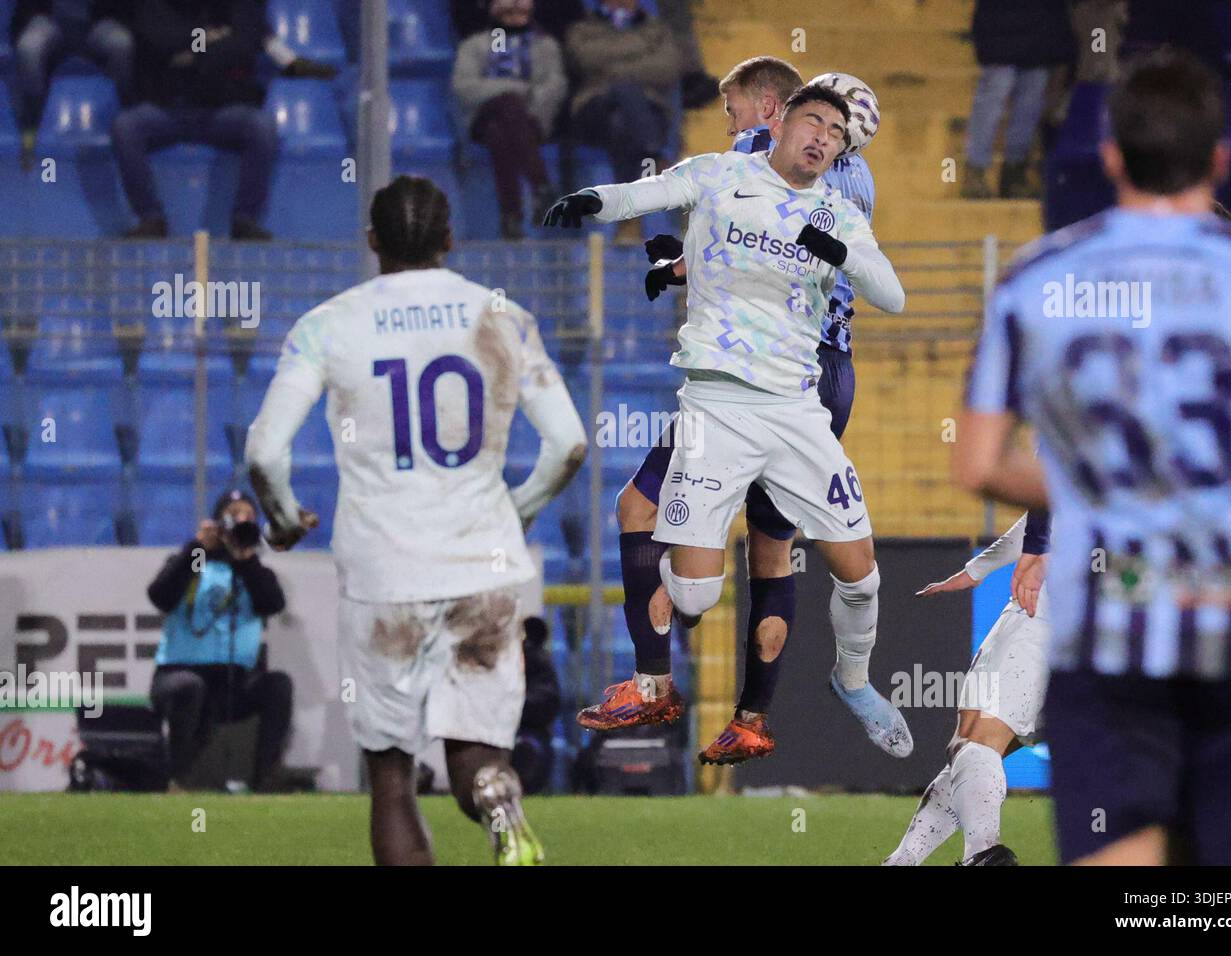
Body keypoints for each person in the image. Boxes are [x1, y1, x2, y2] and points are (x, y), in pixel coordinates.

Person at [955, 49, 1231, 865]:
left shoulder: (1038, 278)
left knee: (1123, 856)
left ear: (1109, 156)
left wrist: (1104, 489)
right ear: (1220, 158)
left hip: (1109, 620)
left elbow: (976, 465)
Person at [544, 85, 908, 764]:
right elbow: (638, 195)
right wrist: (593, 201)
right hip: (715, 408)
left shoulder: (839, 214)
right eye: (813, 122)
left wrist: (835, 247)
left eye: (836, 131)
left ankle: (851, 678)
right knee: (695, 590)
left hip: (799, 413)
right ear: (782, 122)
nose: (823, 137)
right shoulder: (719, 175)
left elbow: (892, 295)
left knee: (861, 575)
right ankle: (665, 683)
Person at [245, 175, 586, 866]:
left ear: (371, 242)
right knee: (478, 754)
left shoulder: (327, 323)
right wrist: (513, 511)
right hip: (482, 564)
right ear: (450, 238)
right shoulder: (502, 316)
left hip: (383, 569)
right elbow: (570, 444)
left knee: (392, 776)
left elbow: (264, 451)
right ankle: (495, 795)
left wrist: (280, 519)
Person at [886, 511, 1051, 866]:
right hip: (1135, 627)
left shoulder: (1070, 457)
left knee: (976, 737)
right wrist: (978, 568)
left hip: (1053, 607)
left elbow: (1057, 502)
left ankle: (982, 856)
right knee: (981, 752)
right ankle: (902, 862)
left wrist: (1043, 560)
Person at [145, 489, 291, 792]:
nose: (242, 521)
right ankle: (177, 780)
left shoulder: (253, 572)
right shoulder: (195, 562)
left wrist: (245, 560)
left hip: (232, 684)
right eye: (235, 515)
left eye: (249, 517)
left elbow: (272, 603)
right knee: (190, 687)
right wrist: (196, 549)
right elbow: (160, 596)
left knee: (278, 685)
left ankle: (265, 783)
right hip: (178, 676)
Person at [111, 0, 277, 240]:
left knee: (261, 126)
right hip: (167, 107)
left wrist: (192, 54)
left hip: (223, 108)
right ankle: (150, 218)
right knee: (125, 126)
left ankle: (245, 219)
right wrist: (213, 38)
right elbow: (157, 40)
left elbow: (246, 44)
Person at [564, 0, 682, 245]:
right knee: (625, 93)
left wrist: (613, 64)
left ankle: (628, 220)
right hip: (594, 107)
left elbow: (668, 68)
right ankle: (654, 153)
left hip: (645, 111)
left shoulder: (657, 29)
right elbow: (585, 59)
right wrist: (638, 50)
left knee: (621, 123)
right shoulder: (583, 28)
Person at [452, 0, 566, 239]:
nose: (515, 9)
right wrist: (514, 90)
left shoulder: (545, 46)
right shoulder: (474, 45)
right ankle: (541, 186)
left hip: (531, 119)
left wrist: (527, 108)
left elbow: (555, 87)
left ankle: (511, 215)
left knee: (499, 133)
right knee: (508, 103)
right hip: (484, 115)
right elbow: (463, 87)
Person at [960, 0, 1074, 199]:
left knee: (1029, 103)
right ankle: (976, 170)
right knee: (994, 97)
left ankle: (1014, 173)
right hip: (1002, 23)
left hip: (1042, 25)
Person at [10, 0, 132, 170]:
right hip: (50, 19)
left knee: (121, 44)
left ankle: (125, 126)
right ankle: (32, 126)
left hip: (96, 21)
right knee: (28, 49)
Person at [512, 615, 561, 793]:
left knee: (529, 748)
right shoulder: (537, 661)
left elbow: (546, 701)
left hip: (528, 730)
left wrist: (513, 707)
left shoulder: (536, 661)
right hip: (521, 730)